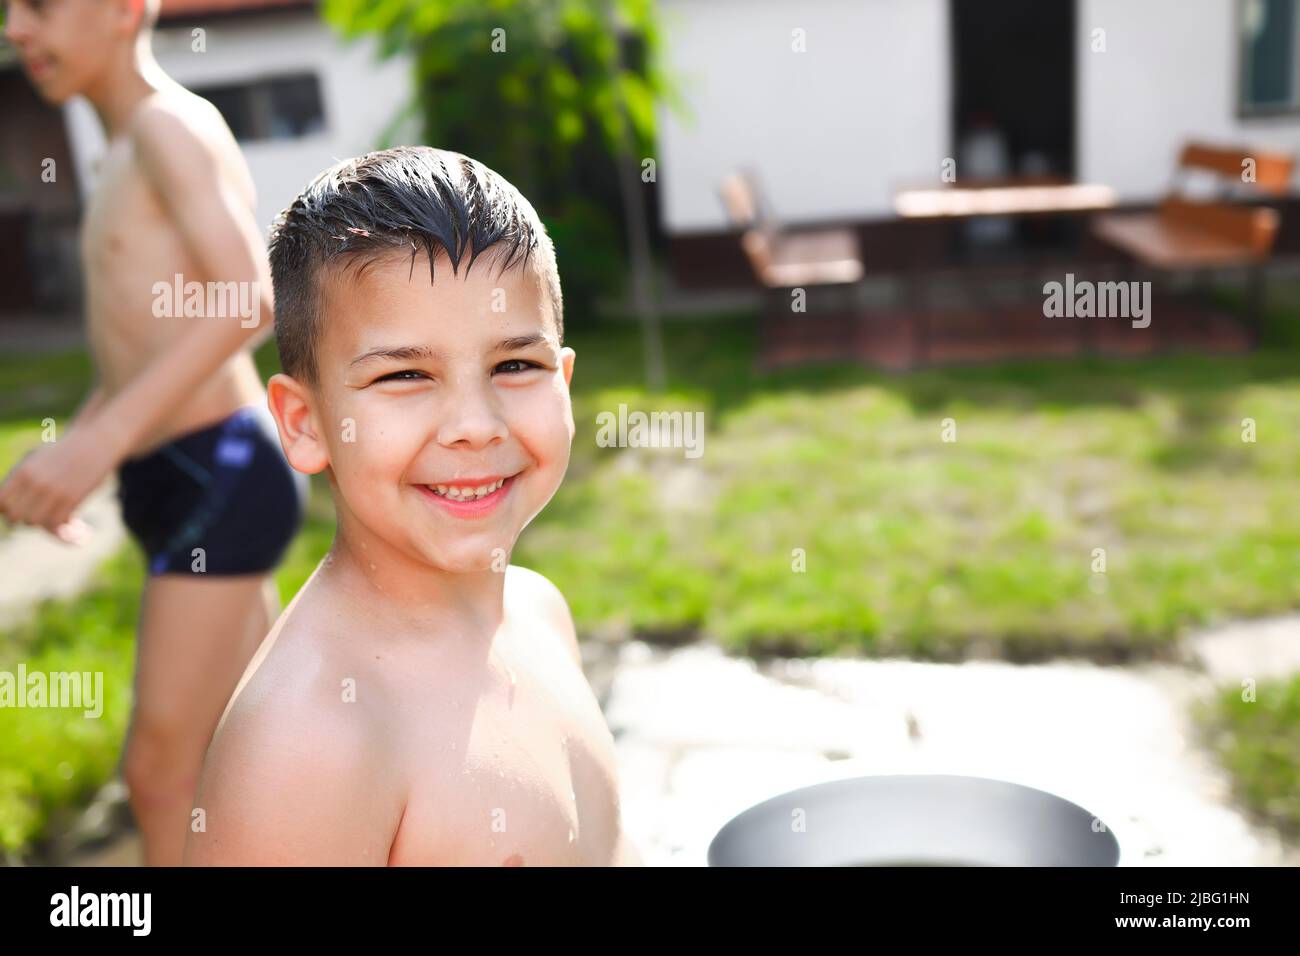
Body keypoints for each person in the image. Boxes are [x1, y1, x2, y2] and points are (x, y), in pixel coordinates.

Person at [183, 146, 642, 865]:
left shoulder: (539, 614)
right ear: (305, 423)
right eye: (405, 375)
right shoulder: (311, 738)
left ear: (566, 380)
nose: (476, 424)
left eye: (516, 365)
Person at [0, 0, 306, 865]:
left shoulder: (171, 126)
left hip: (223, 472)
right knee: (246, 751)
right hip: (184, 473)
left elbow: (249, 295)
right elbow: (141, 357)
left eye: (42, 7)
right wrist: (76, 457)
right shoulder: (124, 145)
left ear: (127, 10)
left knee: (162, 773)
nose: (17, 29)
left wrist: (99, 441)